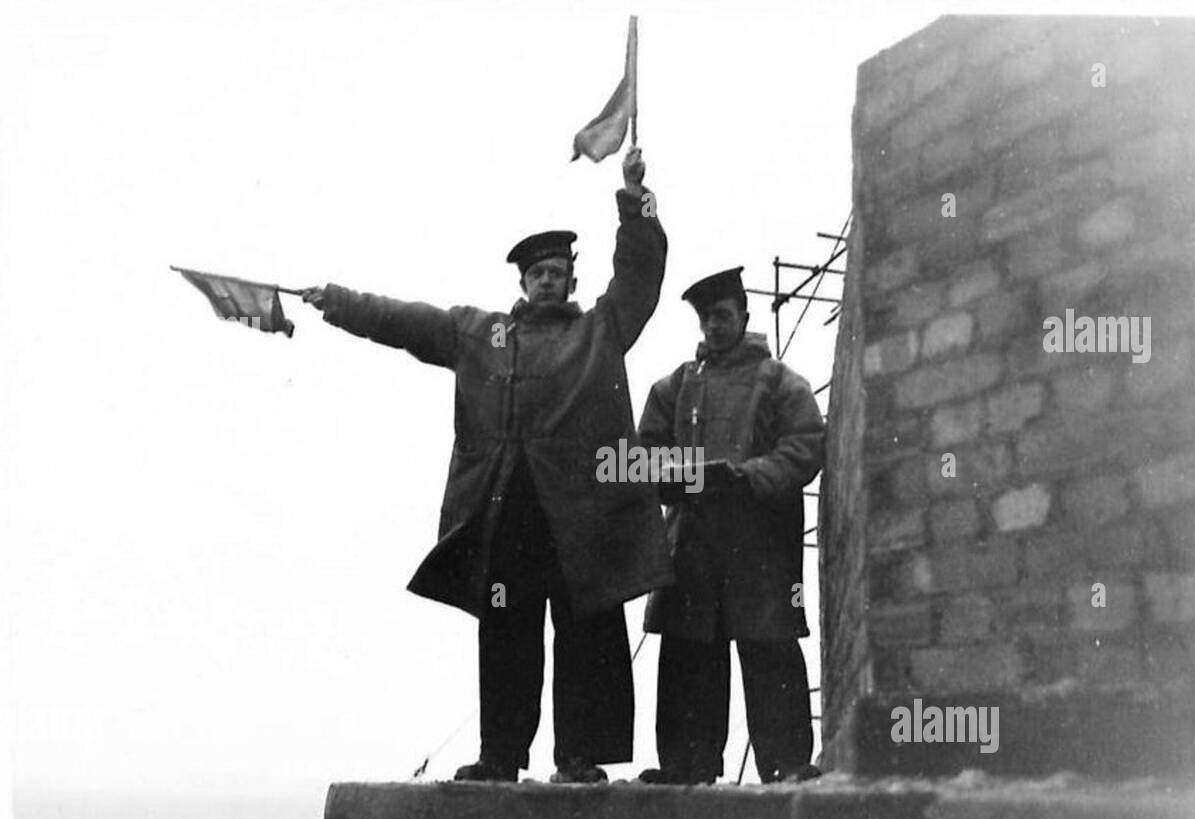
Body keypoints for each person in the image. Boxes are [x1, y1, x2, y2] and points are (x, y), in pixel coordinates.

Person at [300, 148, 672, 784]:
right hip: (510, 518)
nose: (548, 282)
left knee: (588, 634)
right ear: (523, 283)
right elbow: (403, 320)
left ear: (573, 283)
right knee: (506, 630)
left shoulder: (602, 329)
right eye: (539, 274)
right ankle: (501, 756)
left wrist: (635, 198)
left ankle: (579, 759)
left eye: (558, 272)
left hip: (586, 520)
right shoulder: (483, 334)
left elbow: (639, 273)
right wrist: (336, 301)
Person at [636, 267, 825, 785]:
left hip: (759, 542)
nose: (714, 327)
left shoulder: (780, 382)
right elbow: (641, 458)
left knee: (769, 646)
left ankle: (786, 762)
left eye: (722, 315)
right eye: (705, 319)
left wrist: (748, 477)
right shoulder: (675, 386)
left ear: (744, 314)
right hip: (692, 541)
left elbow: (807, 445)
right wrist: (677, 478)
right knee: (687, 649)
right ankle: (685, 765)